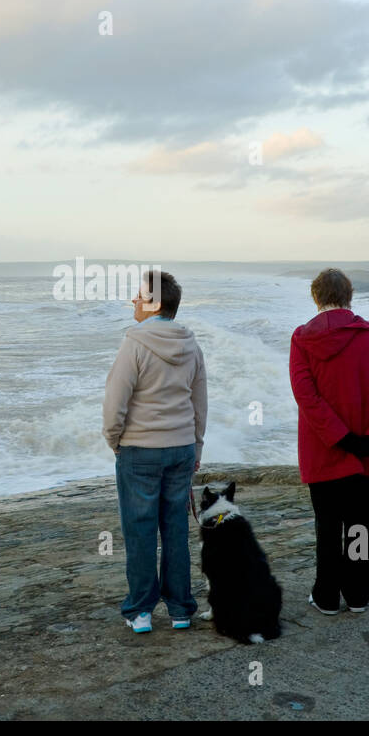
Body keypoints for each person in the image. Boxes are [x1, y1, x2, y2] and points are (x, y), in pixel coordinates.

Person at [290, 268, 369, 616]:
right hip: (367, 448)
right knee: (359, 521)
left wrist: (340, 437)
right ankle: (358, 594)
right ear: (349, 295)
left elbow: (306, 395)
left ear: (316, 297)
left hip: (324, 446)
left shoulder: (302, 338)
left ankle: (326, 596)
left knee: (327, 523)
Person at [103, 269, 207, 634]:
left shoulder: (134, 342)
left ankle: (141, 611)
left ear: (153, 304)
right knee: (176, 529)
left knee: (140, 530)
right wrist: (196, 446)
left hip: (139, 450)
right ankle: (180, 610)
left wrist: (114, 440)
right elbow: (199, 402)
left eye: (138, 295)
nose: (133, 299)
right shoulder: (191, 344)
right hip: (180, 448)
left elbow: (116, 400)